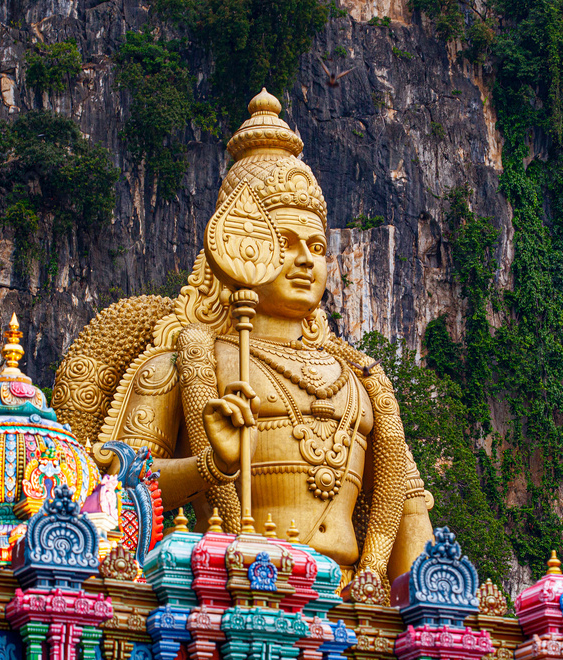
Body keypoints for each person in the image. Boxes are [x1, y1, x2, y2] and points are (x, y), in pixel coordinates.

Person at [53, 89, 434, 599]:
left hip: (350, 600)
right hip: (229, 592)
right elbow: (114, 489)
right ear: (237, 245)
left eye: (316, 246)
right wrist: (209, 465)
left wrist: (430, 612)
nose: (306, 260)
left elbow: (407, 506)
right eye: (286, 243)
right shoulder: (186, 360)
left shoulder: (360, 380)